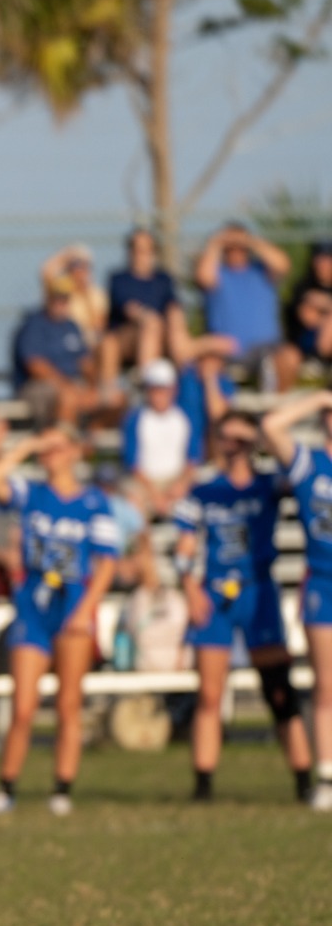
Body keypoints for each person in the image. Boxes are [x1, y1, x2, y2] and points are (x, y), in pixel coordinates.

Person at [0, 428, 121, 816]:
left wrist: (84, 610)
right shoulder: (32, 493)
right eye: (49, 448)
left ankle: (62, 788)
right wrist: (26, 445)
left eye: (60, 448)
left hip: (72, 606)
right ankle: (6, 787)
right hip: (33, 607)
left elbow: (107, 563)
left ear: (76, 452)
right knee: (22, 706)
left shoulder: (95, 503)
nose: (51, 455)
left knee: (68, 704)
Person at [173, 410, 312, 803]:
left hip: (259, 592)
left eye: (239, 439)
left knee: (279, 688)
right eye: (224, 438)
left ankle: (304, 780)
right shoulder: (204, 491)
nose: (230, 446)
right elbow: (184, 546)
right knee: (210, 694)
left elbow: (300, 473)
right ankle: (203, 784)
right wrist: (190, 588)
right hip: (215, 593)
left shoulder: (270, 485)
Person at [259, 390, 332, 809]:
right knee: (326, 685)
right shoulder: (310, 463)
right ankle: (325, 776)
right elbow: (271, 426)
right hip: (322, 582)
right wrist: (319, 396)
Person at [195, 224, 297, 388]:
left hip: (267, 349)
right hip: (225, 353)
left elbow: (283, 264)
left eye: (240, 246)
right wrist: (216, 242)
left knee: (290, 357)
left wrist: (250, 240)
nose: (236, 250)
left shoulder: (262, 271)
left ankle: (276, 408)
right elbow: (203, 277)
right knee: (205, 365)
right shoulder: (218, 274)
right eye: (231, 247)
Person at [100, 228, 186, 382]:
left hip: (162, 335)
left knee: (174, 319)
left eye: (146, 250)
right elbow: (129, 309)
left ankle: (185, 376)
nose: (141, 255)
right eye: (136, 249)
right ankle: (147, 382)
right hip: (127, 337)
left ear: (153, 252)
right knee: (151, 323)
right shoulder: (119, 279)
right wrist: (149, 318)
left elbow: (174, 308)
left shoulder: (163, 279)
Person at [120, 358, 202, 519]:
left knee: (197, 494)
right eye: (154, 390)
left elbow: (193, 459)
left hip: (175, 479)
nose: (158, 396)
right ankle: (142, 541)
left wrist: (180, 485)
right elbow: (133, 464)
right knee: (131, 502)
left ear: (173, 390)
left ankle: (187, 540)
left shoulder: (185, 418)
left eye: (163, 389)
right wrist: (155, 494)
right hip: (145, 483)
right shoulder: (134, 419)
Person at [12, 278, 96, 424]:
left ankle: (89, 440)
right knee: (68, 397)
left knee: (115, 398)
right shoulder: (34, 324)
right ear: (47, 298)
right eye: (56, 297)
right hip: (38, 386)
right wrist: (67, 386)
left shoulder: (72, 326)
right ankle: (65, 441)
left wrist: (93, 386)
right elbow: (35, 366)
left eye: (64, 298)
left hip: (73, 383)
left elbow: (85, 362)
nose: (60, 302)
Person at [284, 241, 332, 377]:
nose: (322, 264)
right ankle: (319, 360)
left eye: (327, 259)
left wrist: (324, 303)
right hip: (308, 342)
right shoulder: (304, 286)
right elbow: (307, 317)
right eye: (319, 258)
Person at [41, 243, 108, 342]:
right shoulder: (64, 291)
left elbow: (100, 325)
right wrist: (67, 254)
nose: (80, 272)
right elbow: (46, 271)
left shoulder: (97, 293)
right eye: (76, 266)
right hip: (70, 339)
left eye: (84, 267)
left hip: (94, 342)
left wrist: (86, 295)